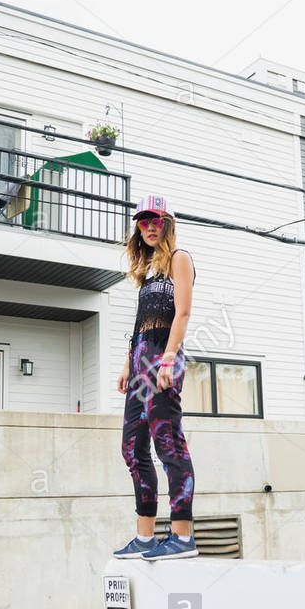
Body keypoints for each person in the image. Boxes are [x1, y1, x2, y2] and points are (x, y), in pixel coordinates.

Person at [112, 194, 199, 561]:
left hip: (163, 363)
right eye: (143, 222)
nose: (148, 227)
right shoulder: (147, 273)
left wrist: (167, 360)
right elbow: (139, 326)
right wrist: (127, 365)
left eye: (156, 220)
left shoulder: (180, 260)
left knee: (169, 446)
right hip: (139, 364)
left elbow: (182, 313)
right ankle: (145, 537)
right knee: (132, 448)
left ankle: (181, 536)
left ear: (168, 224)